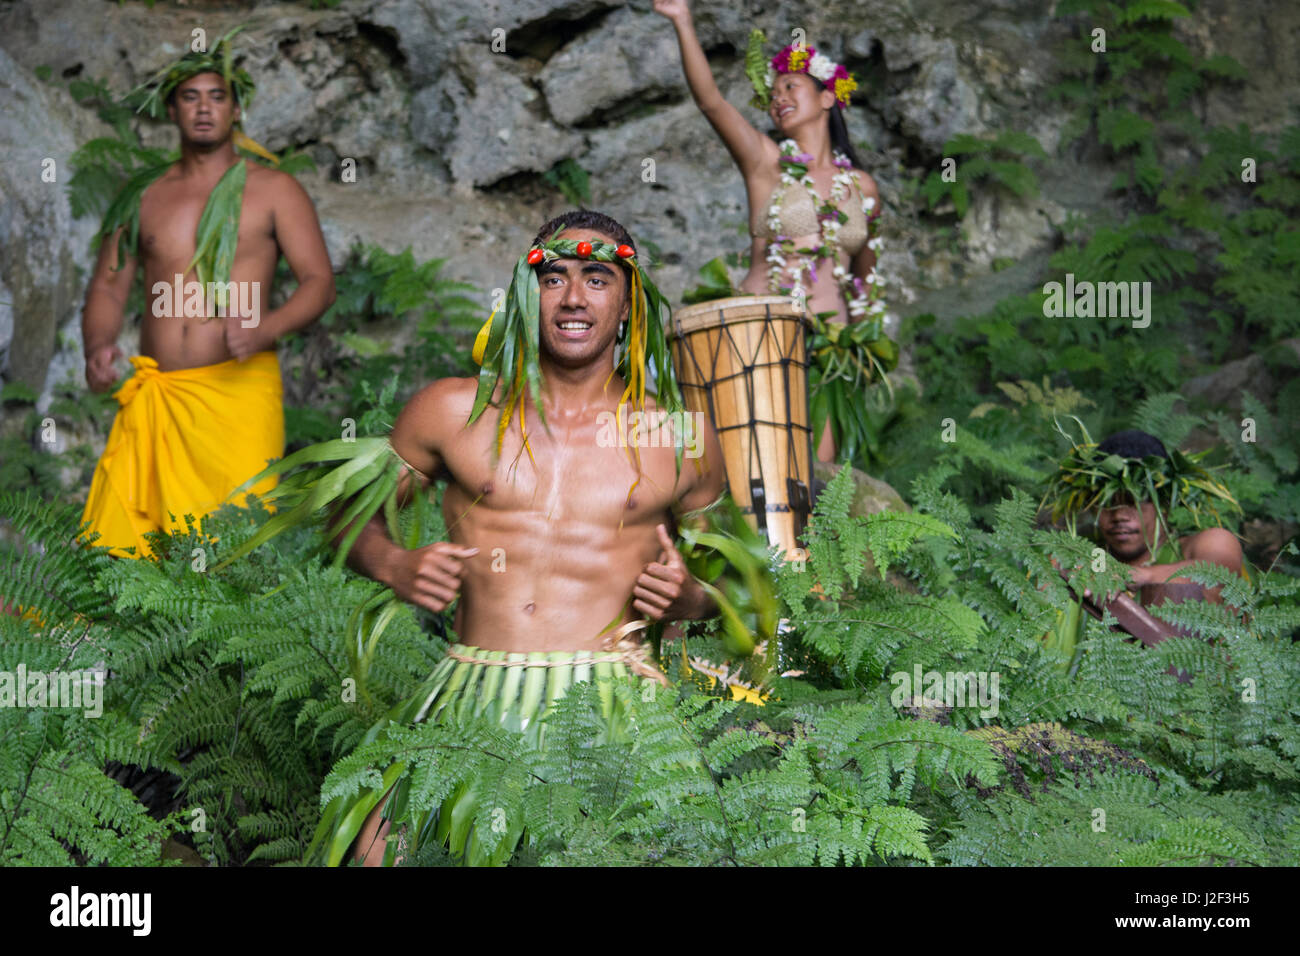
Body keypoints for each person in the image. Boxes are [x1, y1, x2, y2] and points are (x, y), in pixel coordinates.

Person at [328, 210, 727, 865]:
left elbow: (741, 585)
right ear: (524, 295)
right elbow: (348, 518)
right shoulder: (454, 412)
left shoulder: (679, 436)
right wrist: (395, 564)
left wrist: (694, 599)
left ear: (628, 304)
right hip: (475, 690)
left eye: (597, 278)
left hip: (618, 705)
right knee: (376, 857)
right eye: (555, 279)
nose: (573, 298)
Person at [78, 31, 335, 558]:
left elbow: (319, 283)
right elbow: (108, 282)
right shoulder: (144, 195)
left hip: (239, 395)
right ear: (171, 109)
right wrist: (98, 345)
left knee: (236, 545)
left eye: (217, 96)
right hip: (159, 396)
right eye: (190, 97)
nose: (204, 109)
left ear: (236, 109)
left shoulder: (274, 190)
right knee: (129, 557)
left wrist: (267, 327)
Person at [656, 0, 886, 461]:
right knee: (749, 465)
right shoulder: (765, 163)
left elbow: (864, 277)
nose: (778, 95)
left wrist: (865, 349)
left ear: (827, 97)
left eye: (791, 85)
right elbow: (711, 101)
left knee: (815, 475)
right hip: (756, 334)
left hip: (829, 352)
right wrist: (682, 20)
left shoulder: (862, 187)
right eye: (773, 90)